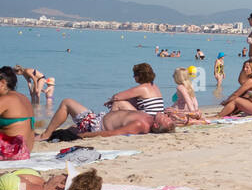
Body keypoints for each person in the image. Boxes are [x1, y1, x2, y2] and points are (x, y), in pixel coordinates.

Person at [39, 102, 176, 140]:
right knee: (62, 133)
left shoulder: (141, 124)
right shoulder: (149, 117)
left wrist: (84, 135)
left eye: (165, 119)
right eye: (167, 117)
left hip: (94, 124)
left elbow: (113, 133)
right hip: (98, 117)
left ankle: (45, 134)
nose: (166, 116)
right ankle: (49, 134)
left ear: (157, 125)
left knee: (66, 103)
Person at [0, 66, 37, 159]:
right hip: (26, 151)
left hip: (13, 152)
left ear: (3, 83)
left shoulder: (5, 99)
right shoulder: (23, 98)